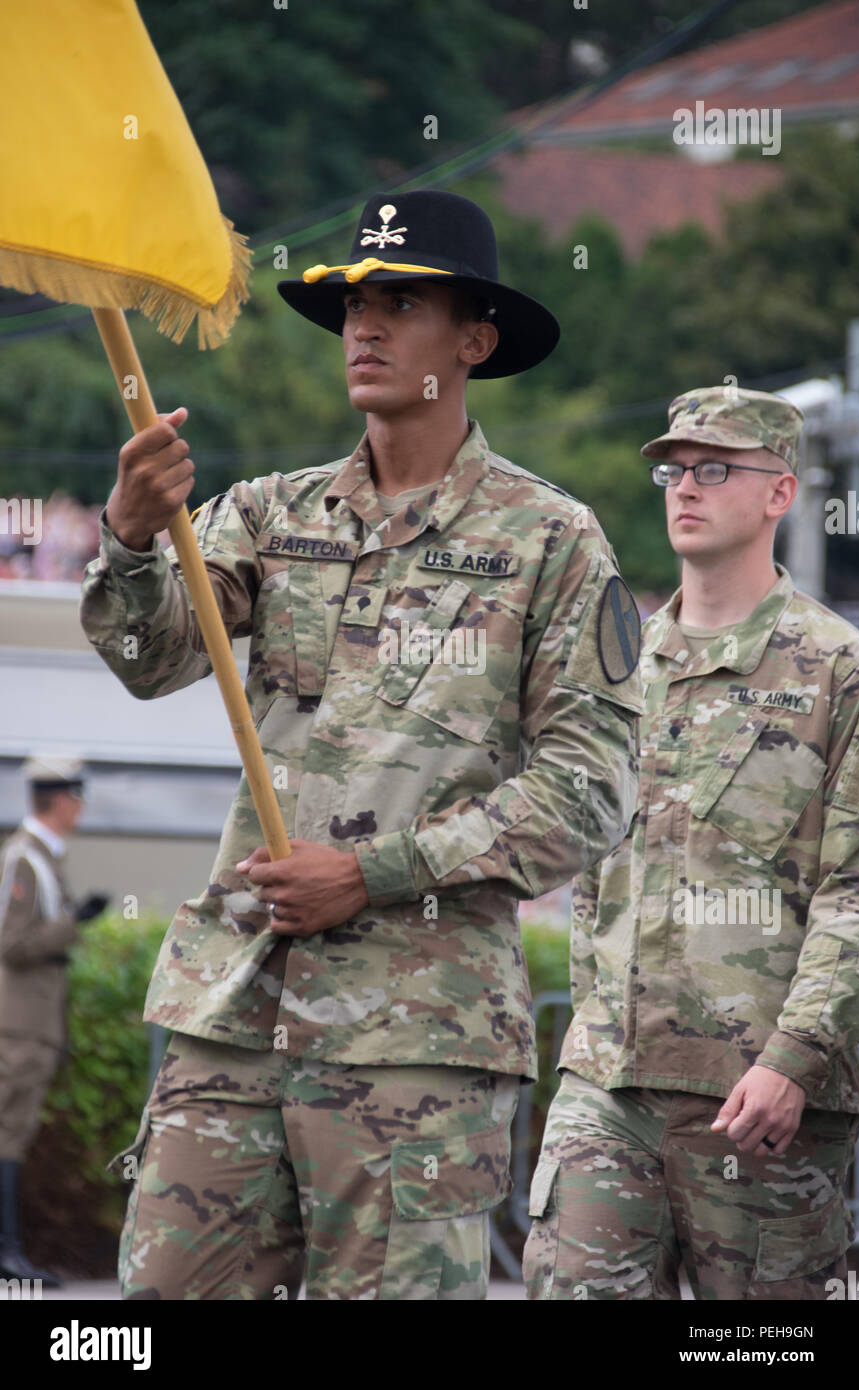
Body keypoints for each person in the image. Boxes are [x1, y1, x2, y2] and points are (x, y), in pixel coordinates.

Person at [79, 189, 644, 1301]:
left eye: (400, 303)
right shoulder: (266, 511)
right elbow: (151, 660)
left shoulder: (551, 541)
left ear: (474, 339)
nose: (365, 330)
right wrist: (132, 537)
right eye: (350, 307)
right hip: (234, 1007)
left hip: (416, 1041)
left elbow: (588, 791)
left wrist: (374, 874)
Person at [523, 385, 859, 1301]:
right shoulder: (620, 664)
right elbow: (596, 864)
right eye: (675, 469)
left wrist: (796, 1057)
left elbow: (856, 891)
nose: (686, 487)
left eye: (716, 468)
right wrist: (594, 1021)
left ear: (781, 493)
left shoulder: (838, 670)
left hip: (762, 1106)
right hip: (610, 1088)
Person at [0, 755, 108, 1284]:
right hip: (16, 1026)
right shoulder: (25, 859)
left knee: (11, 1135)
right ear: (62, 800)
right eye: (78, 797)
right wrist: (75, 922)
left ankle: (9, 1254)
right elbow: (12, 944)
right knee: (5, 1135)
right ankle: (6, 1256)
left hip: (30, 1027)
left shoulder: (41, 856)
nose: (81, 807)